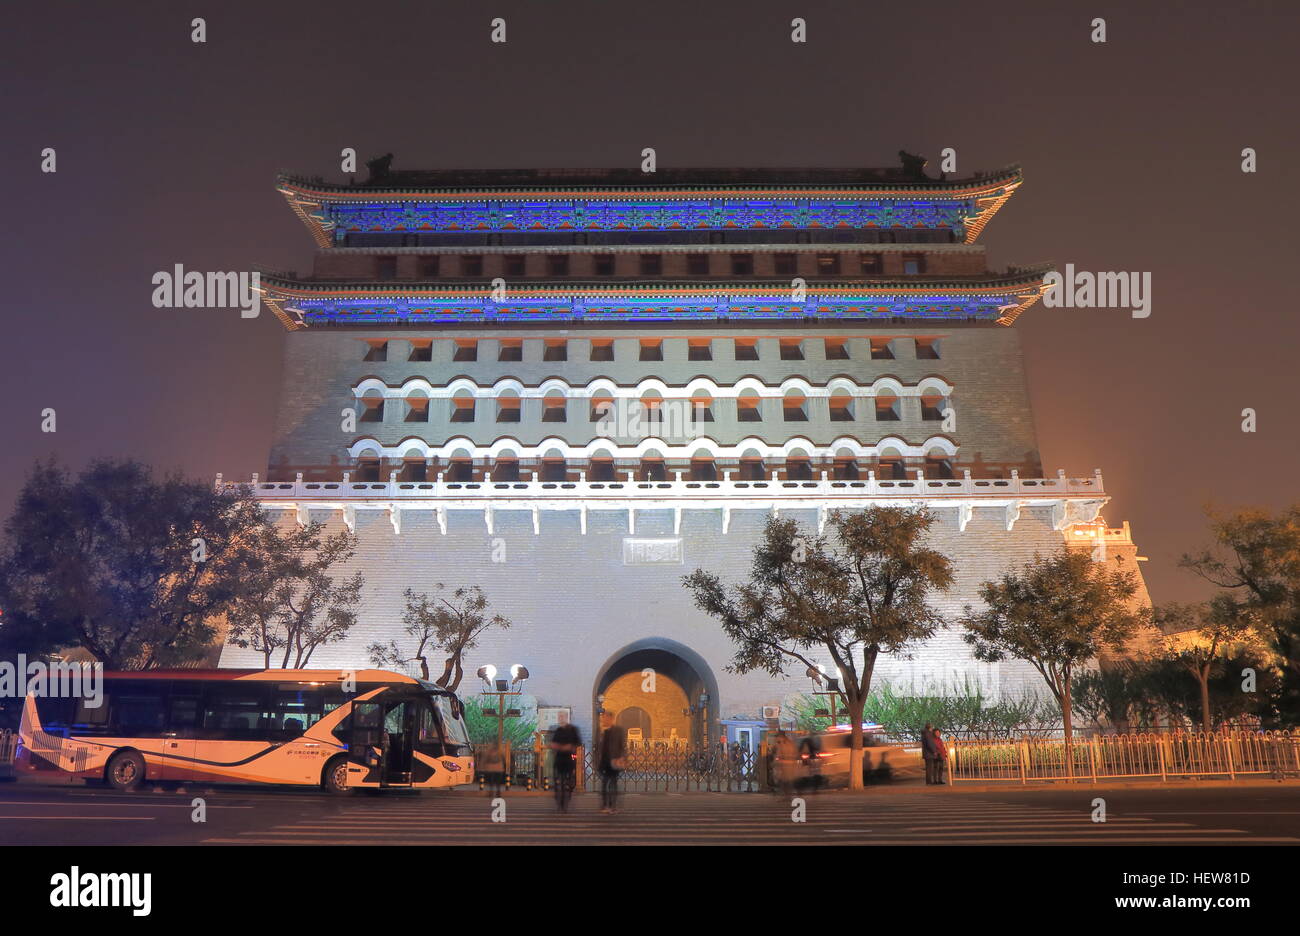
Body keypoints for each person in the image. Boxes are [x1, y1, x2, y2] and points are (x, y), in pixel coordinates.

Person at [549, 720, 582, 812]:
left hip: (569, 760)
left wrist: (570, 747)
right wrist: (554, 746)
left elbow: (578, 742)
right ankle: (560, 804)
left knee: (568, 783)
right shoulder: (558, 731)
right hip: (559, 760)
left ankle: (565, 803)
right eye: (560, 717)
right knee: (558, 782)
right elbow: (553, 743)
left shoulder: (573, 730)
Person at [598, 713, 627, 814]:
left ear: (611, 718)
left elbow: (622, 745)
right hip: (604, 762)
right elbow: (599, 747)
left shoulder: (618, 730)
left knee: (613, 783)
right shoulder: (601, 731)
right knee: (605, 783)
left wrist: (622, 757)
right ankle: (605, 805)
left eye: (605, 718)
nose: (603, 720)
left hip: (615, 761)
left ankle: (612, 805)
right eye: (603, 718)